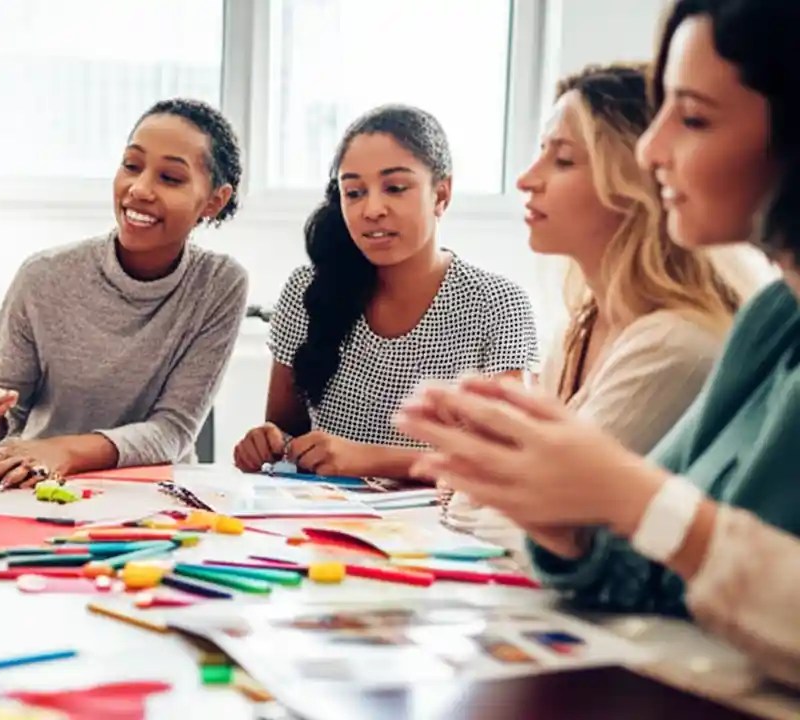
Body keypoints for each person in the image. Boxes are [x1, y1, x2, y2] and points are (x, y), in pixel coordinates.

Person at [396, 0, 800, 690]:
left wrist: (634, 500)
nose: (651, 149)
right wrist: (566, 525)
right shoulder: (773, 320)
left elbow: (664, 525)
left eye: (694, 117)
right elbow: (648, 565)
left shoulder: (689, 337)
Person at [0, 98, 248, 488]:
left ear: (213, 201)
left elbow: (173, 430)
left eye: (170, 178)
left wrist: (67, 451)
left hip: (150, 495)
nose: (139, 189)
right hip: (38, 487)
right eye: (131, 166)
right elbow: (4, 423)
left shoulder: (219, 284)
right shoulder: (44, 276)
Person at [233, 105, 538, 480]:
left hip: (441, 528)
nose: (372, 209)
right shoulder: (306, 290)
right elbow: (287, 432)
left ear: (441, 194)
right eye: (354, 192)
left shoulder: (497, 303)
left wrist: (369, 459)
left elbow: (507, 456)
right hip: (322, 521)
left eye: (395, 188)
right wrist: (270, 441)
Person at [518, 62, 743, 454]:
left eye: (564, 160)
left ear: (634, 184)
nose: (527, 179)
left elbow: (529, 503)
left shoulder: (671, 346)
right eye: (541, 152)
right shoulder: (580, 330)